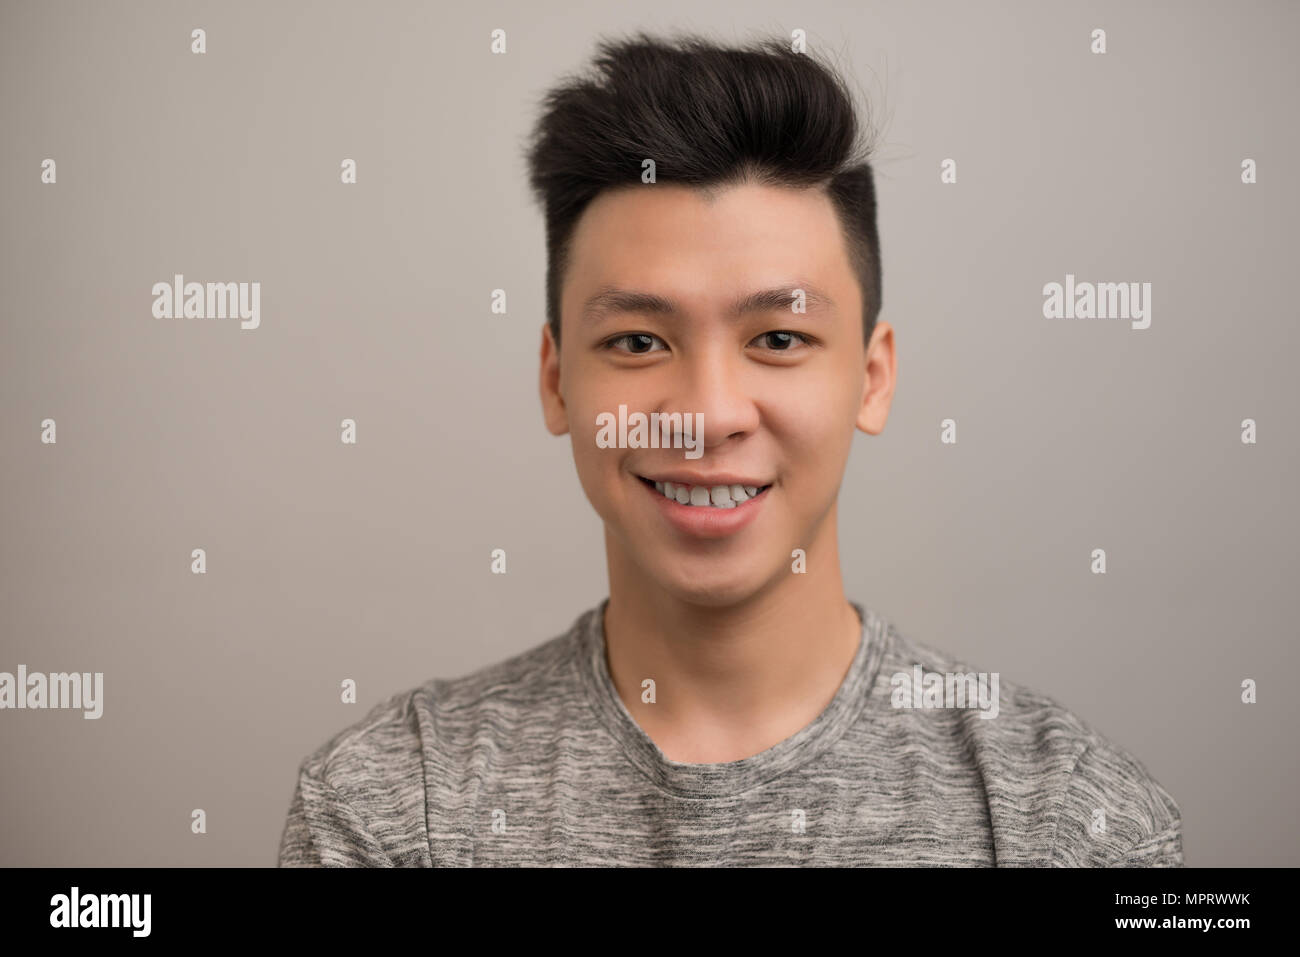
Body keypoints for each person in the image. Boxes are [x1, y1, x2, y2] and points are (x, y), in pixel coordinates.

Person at [277, 31, 1183, 866]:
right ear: (557, 381)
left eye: (778, 339)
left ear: (872, 378)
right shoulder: (394, 808)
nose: (707, 416)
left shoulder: (1070, 823)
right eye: (638, 341)